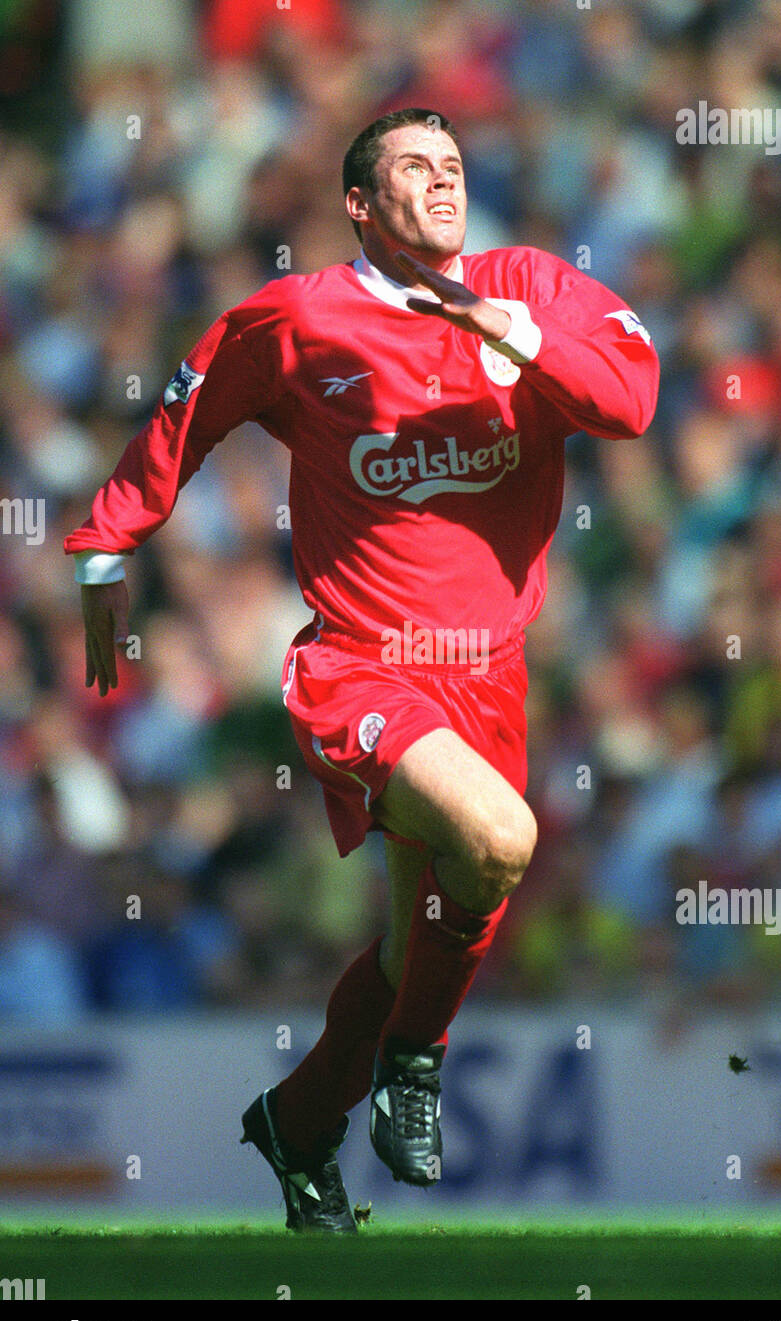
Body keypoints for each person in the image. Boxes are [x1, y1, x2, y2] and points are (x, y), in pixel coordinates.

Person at [65, 108, 659, 1232]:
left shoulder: (531, 284)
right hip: (361, 667)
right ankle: (418, 1065)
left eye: (452, 164)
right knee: (500, 839)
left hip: (489, 676)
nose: (442, 181)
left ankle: (298, 1123)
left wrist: (511, 330)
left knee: (409, 947)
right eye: (413, 167)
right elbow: (187, 412)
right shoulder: (301, 319)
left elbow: (629, 403)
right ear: (357, 204)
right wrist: (107, 546)